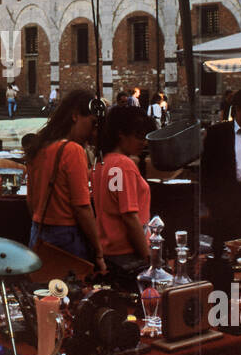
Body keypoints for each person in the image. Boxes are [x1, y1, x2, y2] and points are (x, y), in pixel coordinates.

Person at [24, 89, 106, 274]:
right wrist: (99, 252)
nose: (93, 132)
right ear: (76, 116)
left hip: (38, 231)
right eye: (92, 123)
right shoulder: (72, 150)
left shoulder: (39, 146)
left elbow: (30, 200)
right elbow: (82, 207)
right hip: (66, 235)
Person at [201, 84, 241, 247]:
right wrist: (211, 205)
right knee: (226, 250)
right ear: (238, 110)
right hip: (228, 203)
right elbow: (207, 172)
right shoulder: (218, 134)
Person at [91, 106, 152, 265]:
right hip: (129, 253)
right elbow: (130, 217)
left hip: (108, 251)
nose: (143, 142)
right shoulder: (124, 165)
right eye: (138, 136)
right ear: (121, 134)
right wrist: (148, 258)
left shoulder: (101, 163)